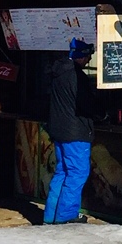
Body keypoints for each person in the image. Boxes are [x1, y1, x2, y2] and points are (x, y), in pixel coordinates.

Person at [44, 38, 95, 225]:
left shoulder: (58, 73)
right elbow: (87, 105)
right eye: (88, 55)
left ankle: (51, 215)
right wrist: (102, 113)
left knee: (62, 172)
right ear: (81, 56)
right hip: (76, 132)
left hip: (59, 130)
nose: (90, 59)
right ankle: (66, 217)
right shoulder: (77, 76)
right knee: (77, 173)